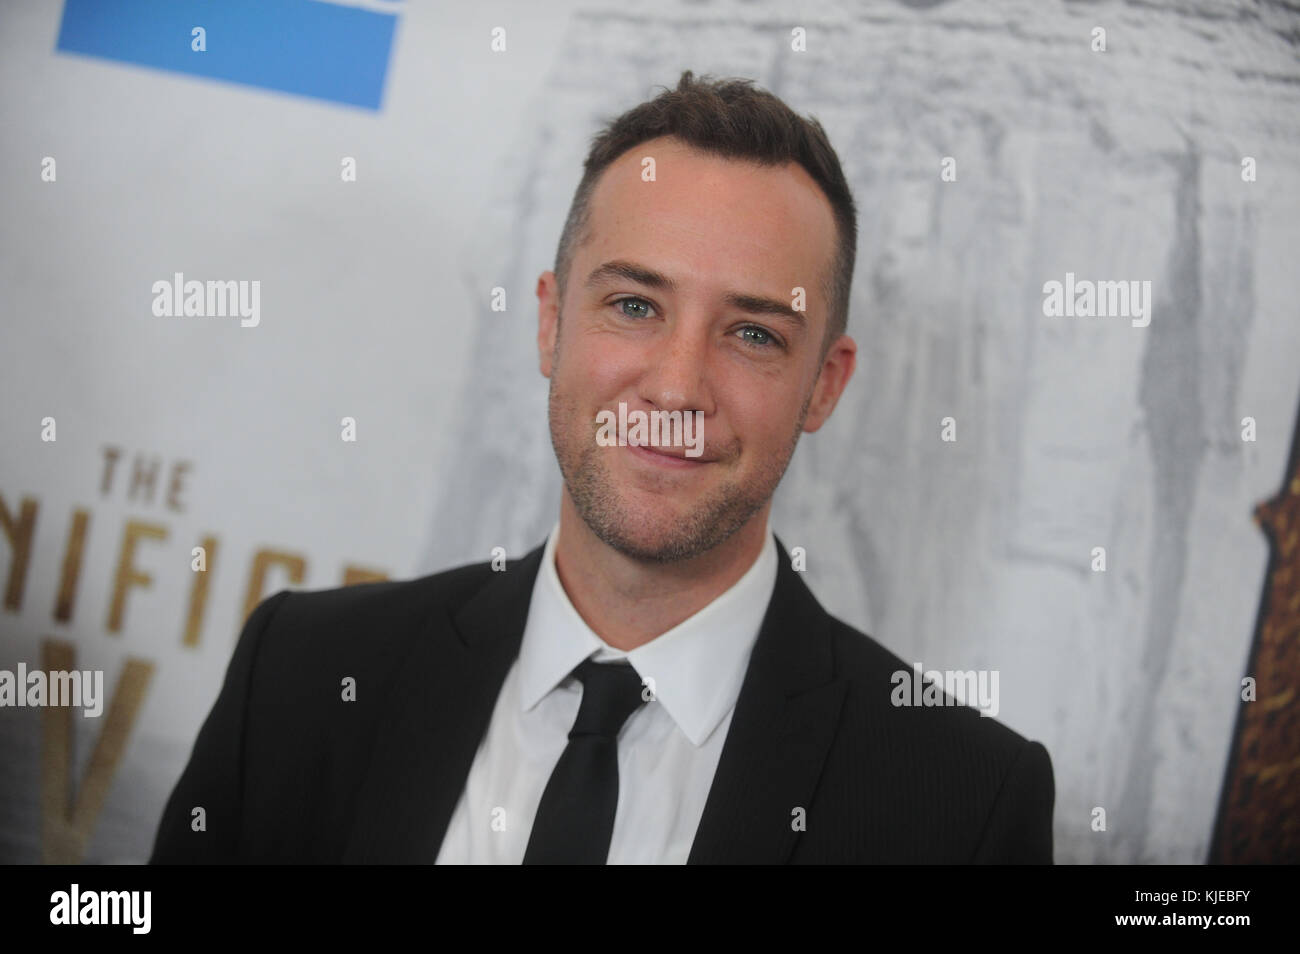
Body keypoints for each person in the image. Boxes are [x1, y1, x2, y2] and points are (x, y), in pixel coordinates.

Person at [150, 71, 1054, 865]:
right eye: (633, 304)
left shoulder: (962, 805)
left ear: (824, 385)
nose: (675, 386)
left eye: (752, 334)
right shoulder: (304, 675)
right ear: (550, 324)